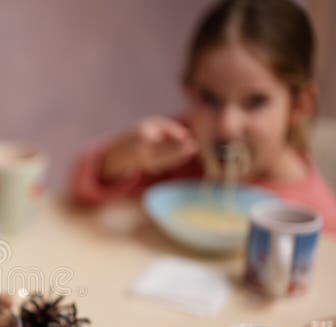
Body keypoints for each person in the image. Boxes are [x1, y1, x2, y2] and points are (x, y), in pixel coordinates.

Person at [68, 0, 336, 235]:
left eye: (255, 102)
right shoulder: (177, 154)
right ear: (188, 89)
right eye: (209, 98)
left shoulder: (314, 217)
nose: (227, 127)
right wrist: (126, 152)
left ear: (300, 104)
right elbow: (80, 189)